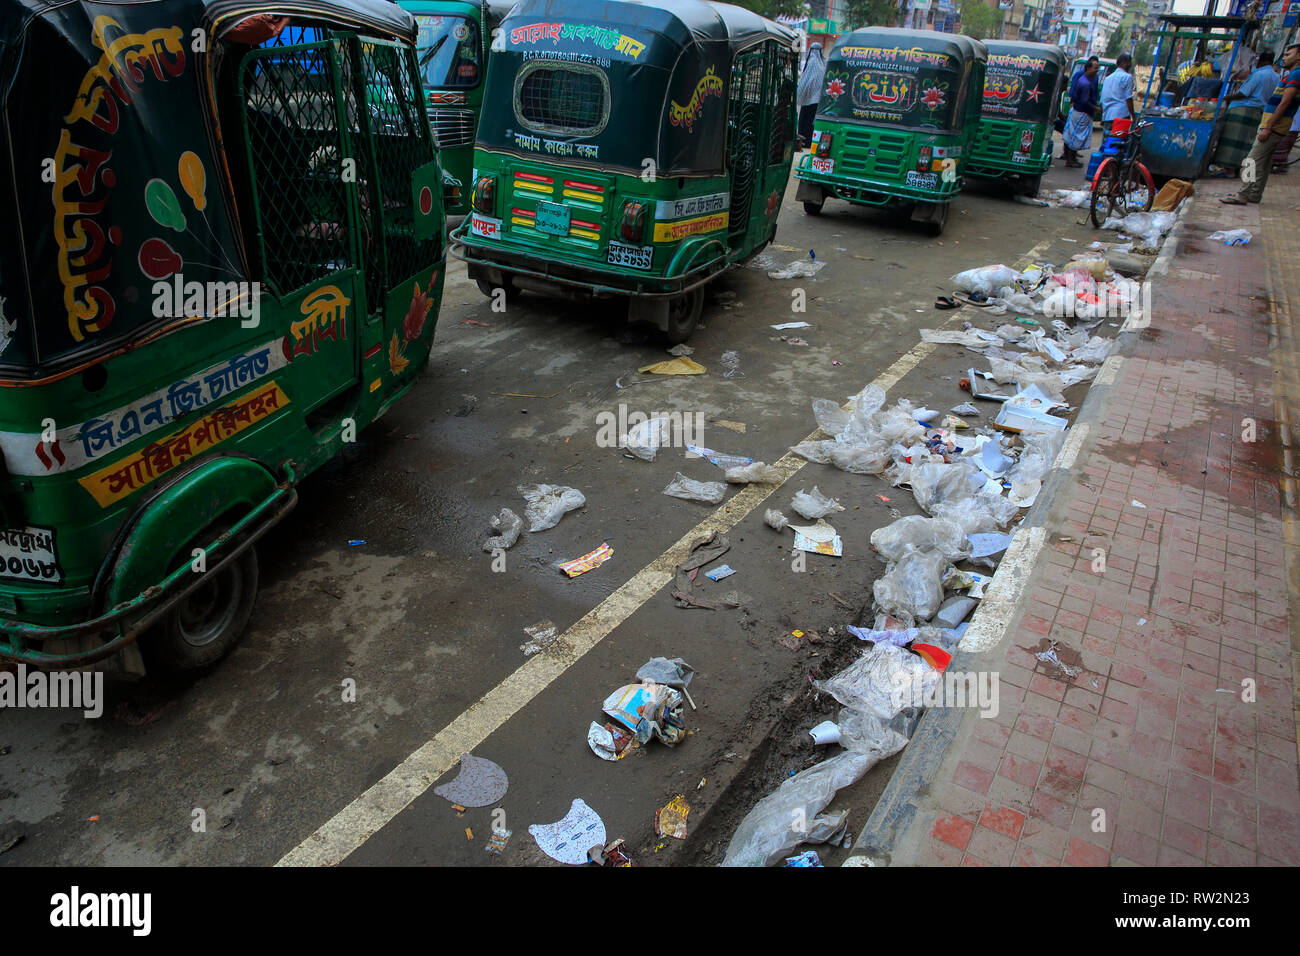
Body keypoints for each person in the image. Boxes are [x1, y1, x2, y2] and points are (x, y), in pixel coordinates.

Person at [1224, 43, 1300, 204]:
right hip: (1275, 125)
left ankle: (1242, 194)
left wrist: (1268, 127)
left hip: (1274, 126)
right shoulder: (1289, 74)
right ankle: (1254, 194)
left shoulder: (1296, 75)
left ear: (1298, 56)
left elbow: (1285, 103)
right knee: (1264, 163)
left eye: (1288, 55)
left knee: (1251, 160)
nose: (1284, 58)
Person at [1214, 49, 1277, 175]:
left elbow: (1244, 93)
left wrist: (1227, 98)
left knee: (1231, 141)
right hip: (1259, 111)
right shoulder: (1276, 76)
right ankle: (1237, 169)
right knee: (1246, 143)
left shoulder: (1258, 75)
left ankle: (1228, 170)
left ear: (1261, 61)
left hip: (1243, 110)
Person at [1062, 57, 1100, 168]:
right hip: (1081, 112)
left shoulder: (1090, 79)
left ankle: (1072, 158)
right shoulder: (1085, 82)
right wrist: (1095, 108)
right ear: (1088, 68)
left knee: (1074, 136)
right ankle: (1070, 160)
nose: (1097, 70)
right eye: (1095, 68)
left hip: (1081, 111)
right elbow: (1084, 101)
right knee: (1075, 137)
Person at [796, 43, 826, 150]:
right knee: (811, 122)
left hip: (809, 98)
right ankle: (809, 141)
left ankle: (804, 141)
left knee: (805, 121)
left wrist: (802, 90)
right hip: (817, 99)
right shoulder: (823, 64)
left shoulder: (813, 62)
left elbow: (808, 81)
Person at [1100, 53, 1134, 139]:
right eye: (1129, 63)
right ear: (1124, 63)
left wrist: (1102, 117)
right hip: (1121, 115)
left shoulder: (1108, 78)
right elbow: (1128, 98)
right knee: (1118, 143)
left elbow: (1103, 99)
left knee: (1106, 142)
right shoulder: (1127, 77)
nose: (1130, 65)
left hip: (1107, 115)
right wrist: (1133, 115)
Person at [1272, 107, 1300, 173]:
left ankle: (1280, 164)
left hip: (1291, 120)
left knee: (1283, 142)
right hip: (1292, 121)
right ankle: (1279, 163)